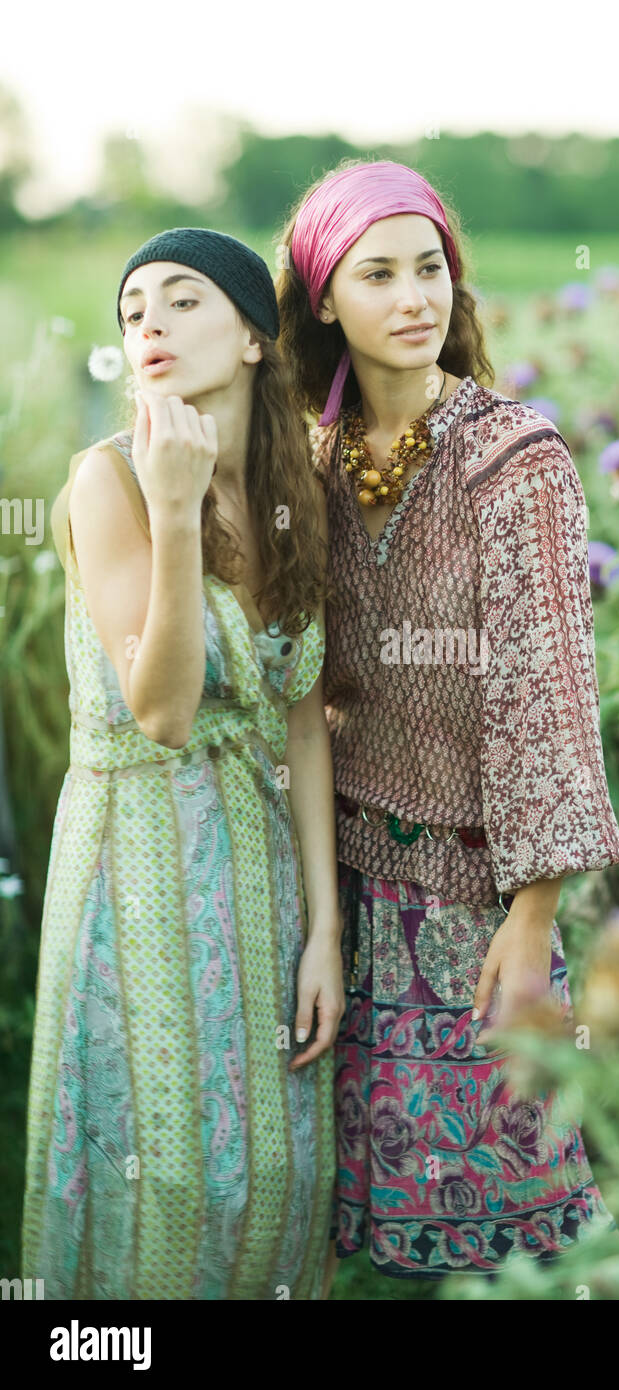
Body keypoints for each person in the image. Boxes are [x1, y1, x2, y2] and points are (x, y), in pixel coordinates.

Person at [276, 160, 619, 1283]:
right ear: (325, 297)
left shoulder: (515, 459)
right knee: (367, 1225)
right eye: (377, 274)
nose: (413, 297)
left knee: (531, 1228)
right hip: (344, 886)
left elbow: (548, 690)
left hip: (481, 901)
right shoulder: (312, 460)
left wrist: (533, 921)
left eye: (429, 268)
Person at [20, 228, 343, 1299]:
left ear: (254, 335)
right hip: (139, 869)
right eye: (133, 311)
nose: (148, 323)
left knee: (277, 1165)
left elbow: (300, 717)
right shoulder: (107, 482)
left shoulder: (297, 484)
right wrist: (172, 509)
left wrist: (324, 929)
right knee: (163, 1173)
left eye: (183, 299)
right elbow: (159, 707)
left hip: (261, 880)